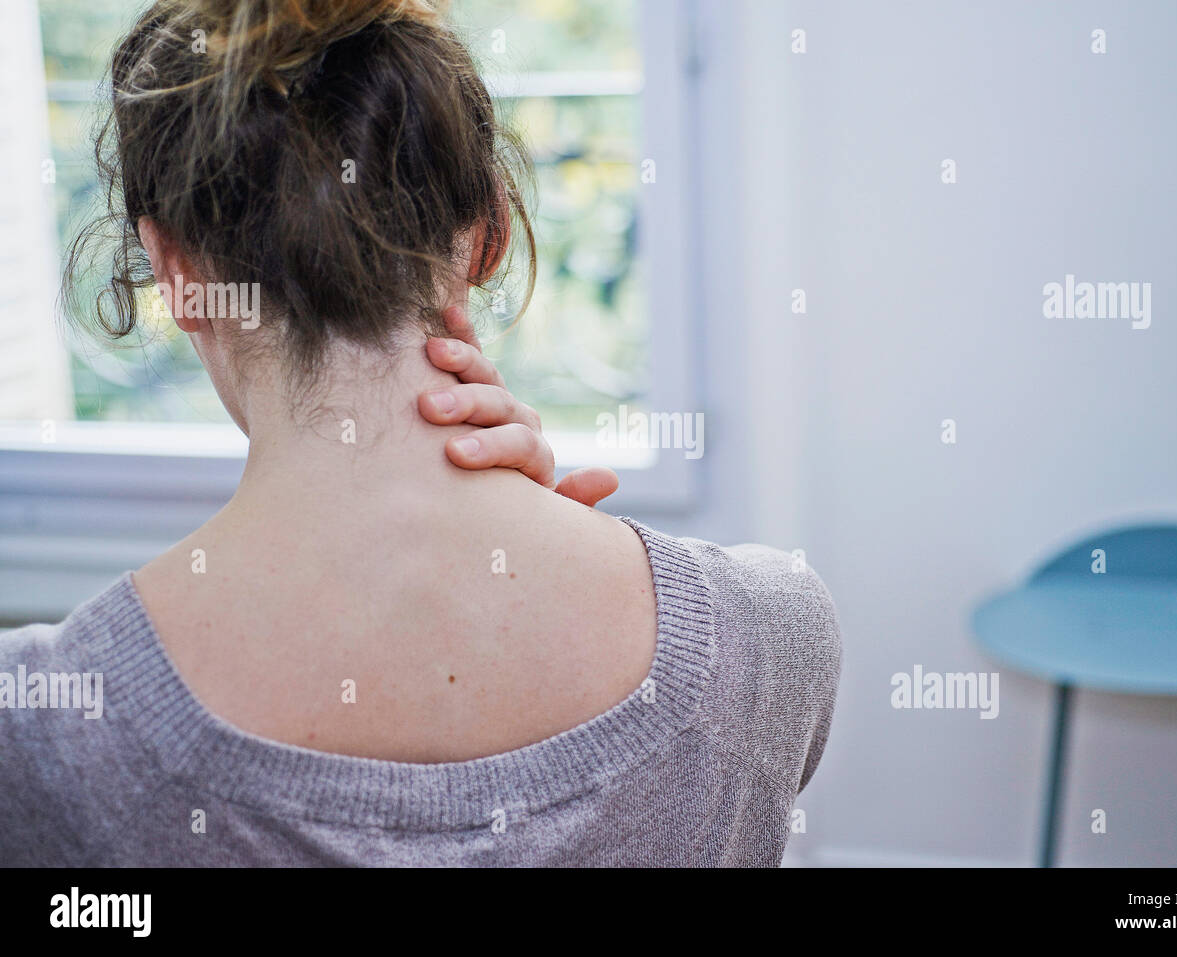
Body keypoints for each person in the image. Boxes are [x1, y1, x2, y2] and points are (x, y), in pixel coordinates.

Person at [0, 0, 839, 866]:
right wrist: (542, 541)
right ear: (491, 234)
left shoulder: (40, 734)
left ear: (172, 271)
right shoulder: (773, 636)